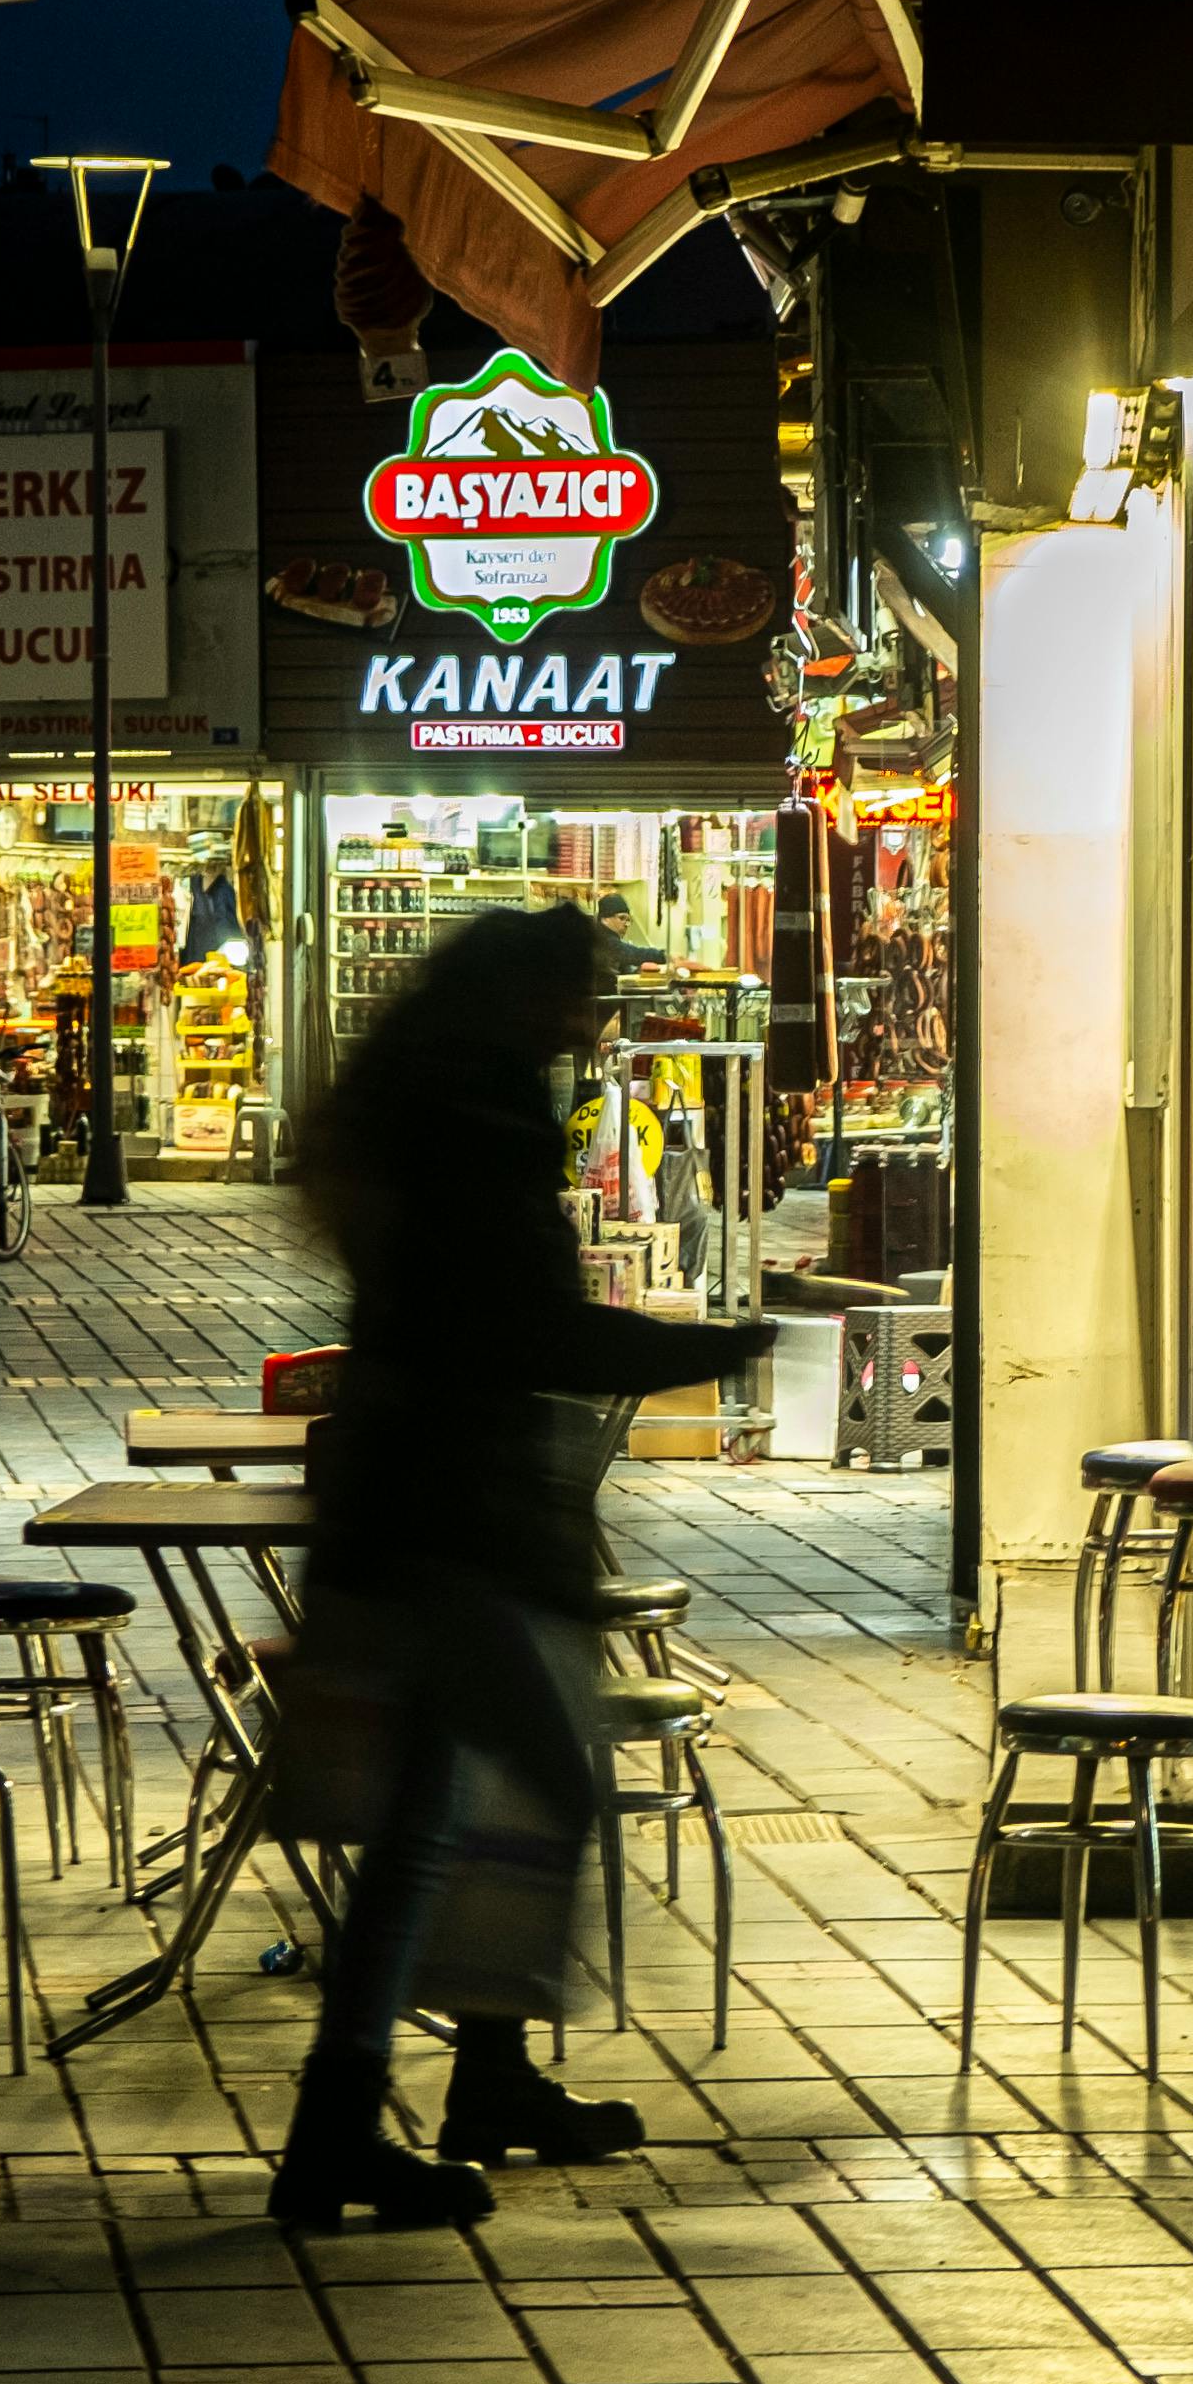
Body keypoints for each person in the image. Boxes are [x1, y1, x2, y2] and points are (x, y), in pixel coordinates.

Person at [278, 906, 765, 2232]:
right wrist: (709, 1350)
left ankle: (436, 2093)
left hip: (416, 1507)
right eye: (587, 1001)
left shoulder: (431, 1103)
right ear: (529, 1004)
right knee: (544, 1783)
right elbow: (522, 1327)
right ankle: (403, 2102)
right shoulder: (476, 1124)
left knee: (435, 1816)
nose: (596, 1024)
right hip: (455, 1522)